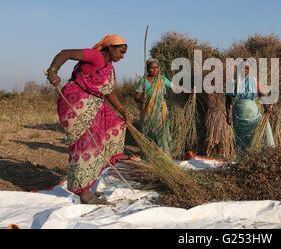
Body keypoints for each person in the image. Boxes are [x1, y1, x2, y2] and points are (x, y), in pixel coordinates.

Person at [46, 34, 129, 204]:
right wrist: (53, 71)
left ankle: (87, 189)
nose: (122, 55)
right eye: (121, 51)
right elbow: (66, 53)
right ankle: (84, 195)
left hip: (94, 105)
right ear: (110, 48)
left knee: (101, 140)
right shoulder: (96, 56)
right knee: (85, 146)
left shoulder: (108, 66)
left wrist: (120, 109)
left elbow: (107, 91)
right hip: (78, 103)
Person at [134, 58, 185, 154]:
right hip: (147, 112)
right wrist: (140, 99)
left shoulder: (162, 79)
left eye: (156, 68)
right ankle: (148, 153)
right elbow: (136, 96)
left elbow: (174, 87)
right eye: (152, 68)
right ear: (147, 68)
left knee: (161, 132)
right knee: (148, 132)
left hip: (161, 111)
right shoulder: (143, 81)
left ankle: (163, 154)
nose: (154, 70)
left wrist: (186, 90)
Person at [225, 61, 275, 152]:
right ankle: (244, 161)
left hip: (254, 115)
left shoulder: (253, 81)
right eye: (243, 68)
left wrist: (266, 106)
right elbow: (228, 99)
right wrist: (228, 115)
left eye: (247, 68)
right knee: (242, 139)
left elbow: (261, 94)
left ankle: (270, 153)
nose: (245, 70)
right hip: (239, 115)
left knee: (266, 128)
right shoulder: (233, 81)